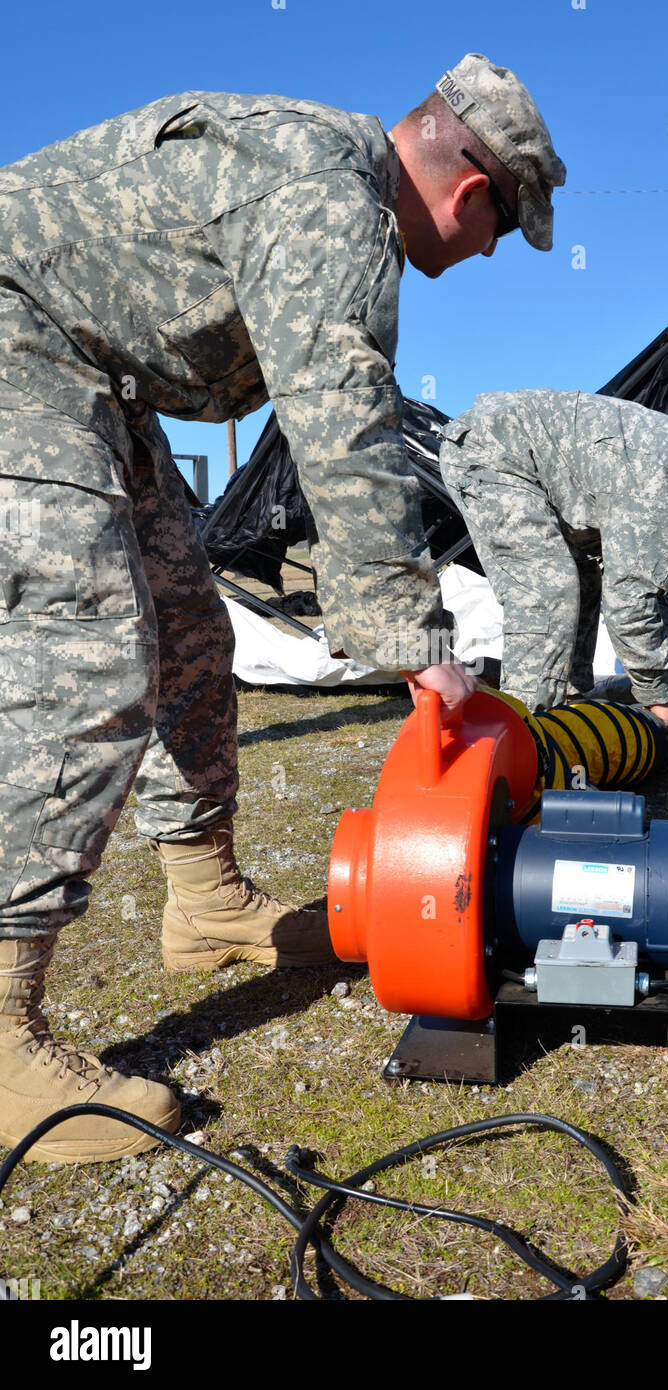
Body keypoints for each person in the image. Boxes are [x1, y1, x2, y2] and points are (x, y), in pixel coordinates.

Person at [0, 56, 565, 1162]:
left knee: (192, 636)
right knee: (88, 653)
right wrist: (413, 637)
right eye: (502, 229)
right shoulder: (327, 196)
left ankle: (204, 902)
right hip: (17, 345)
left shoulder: (324, 179)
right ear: (470, 191)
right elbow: (342, 414)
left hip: (90, 373)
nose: (485, 254)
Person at [439, 389, 668, 729]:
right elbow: (629, 599)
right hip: (491, 453)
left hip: (526, 464)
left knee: (583, 578)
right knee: (547, 588)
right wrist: (659, 697)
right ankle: (522, 736)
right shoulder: (659, 476)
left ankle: (563, 716)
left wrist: (665, 628)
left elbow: (644, 564)